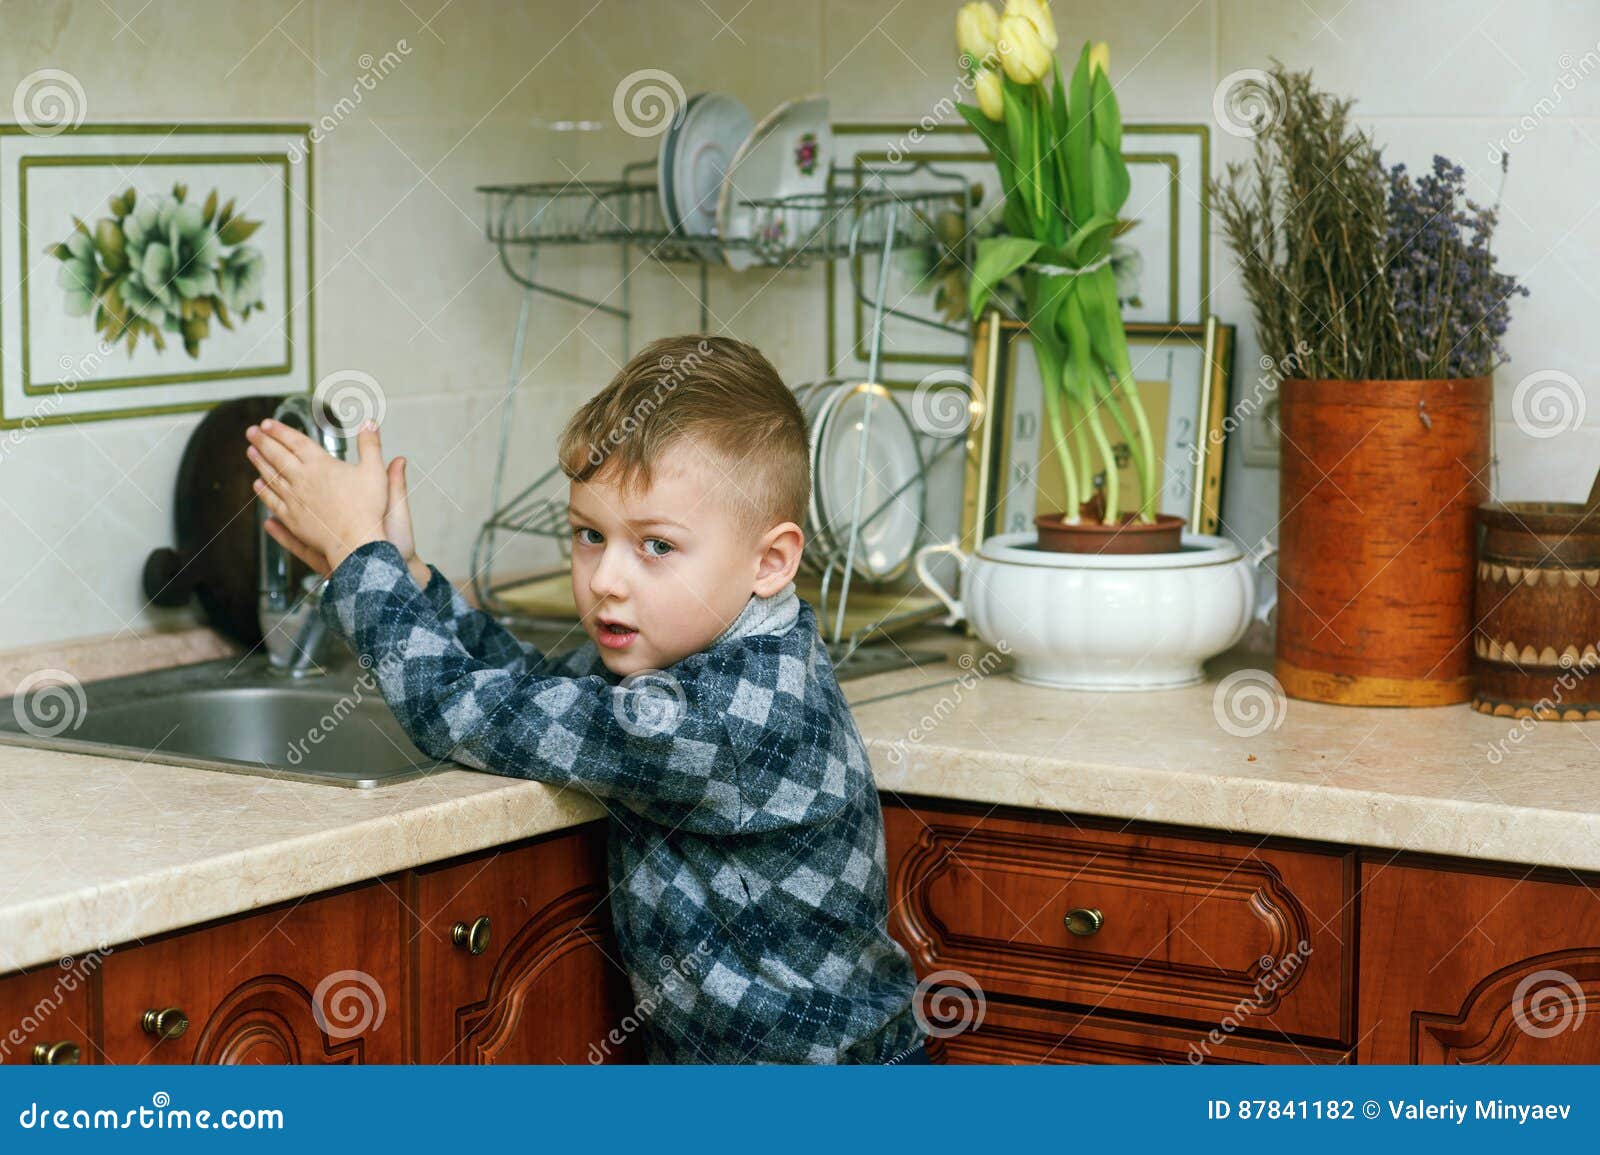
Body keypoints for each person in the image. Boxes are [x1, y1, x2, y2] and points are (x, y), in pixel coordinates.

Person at [244, 334, 930, 1065]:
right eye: (588, 534)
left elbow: (459, 710)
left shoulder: (716, 720)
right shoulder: (719, 653)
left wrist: (358, 554)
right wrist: (405, 576)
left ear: (771, 560)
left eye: (656, 546)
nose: (607, 578)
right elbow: (538, 692)